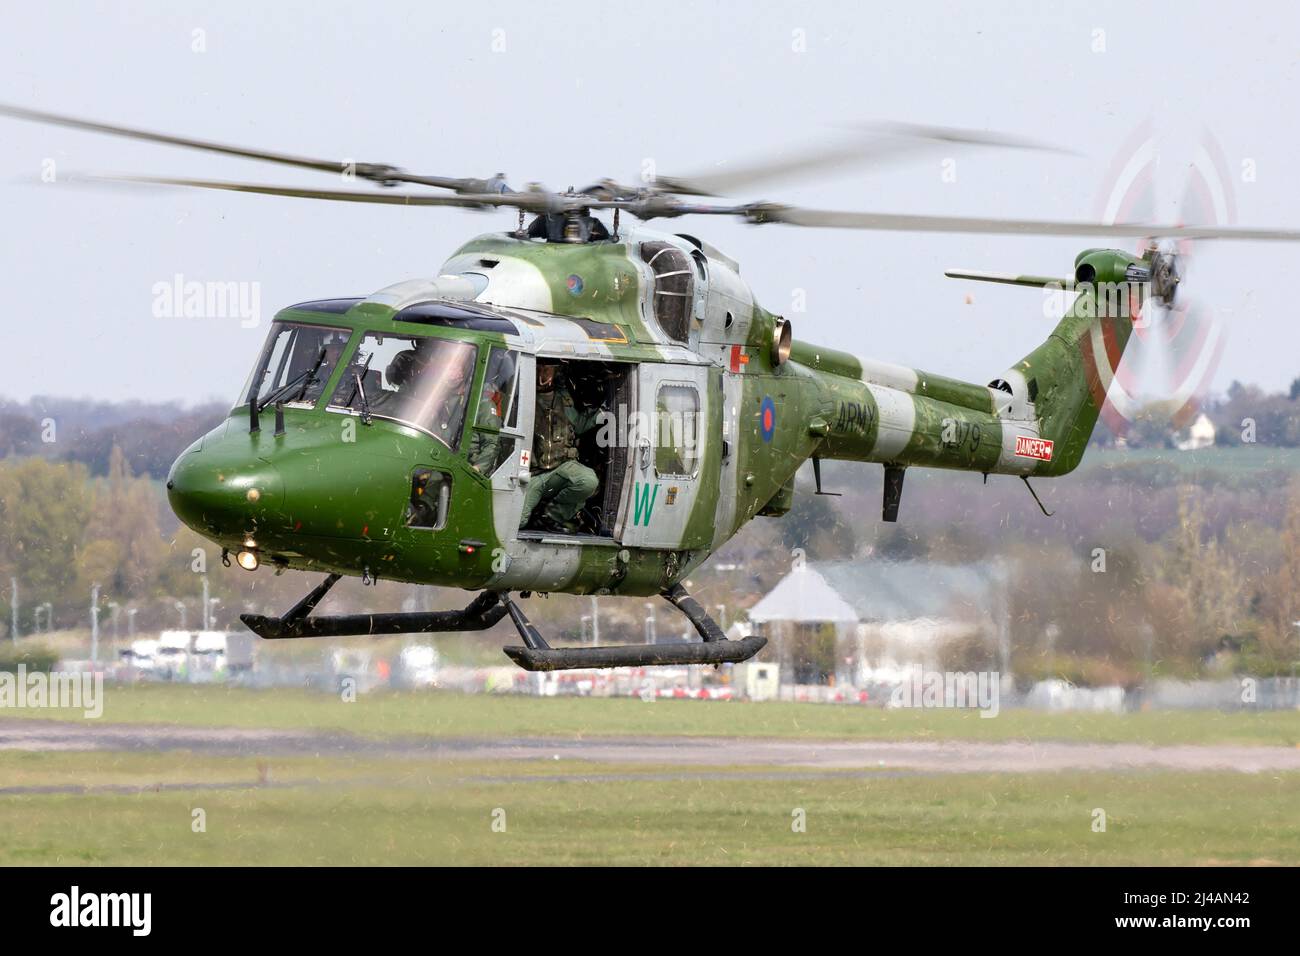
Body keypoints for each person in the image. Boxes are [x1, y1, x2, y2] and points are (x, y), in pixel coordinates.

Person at [519, 362, 602, 533]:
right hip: (530, 474)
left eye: (547, 369)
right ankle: (536, 513)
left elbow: (578, 425)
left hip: (559, 469)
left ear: (555, 372)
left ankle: (550, 515)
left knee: (588, 481)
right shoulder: (521, 396)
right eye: (540, 368)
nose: (543, 373)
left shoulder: (564, 399)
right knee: (517, 522)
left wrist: (600, 412)